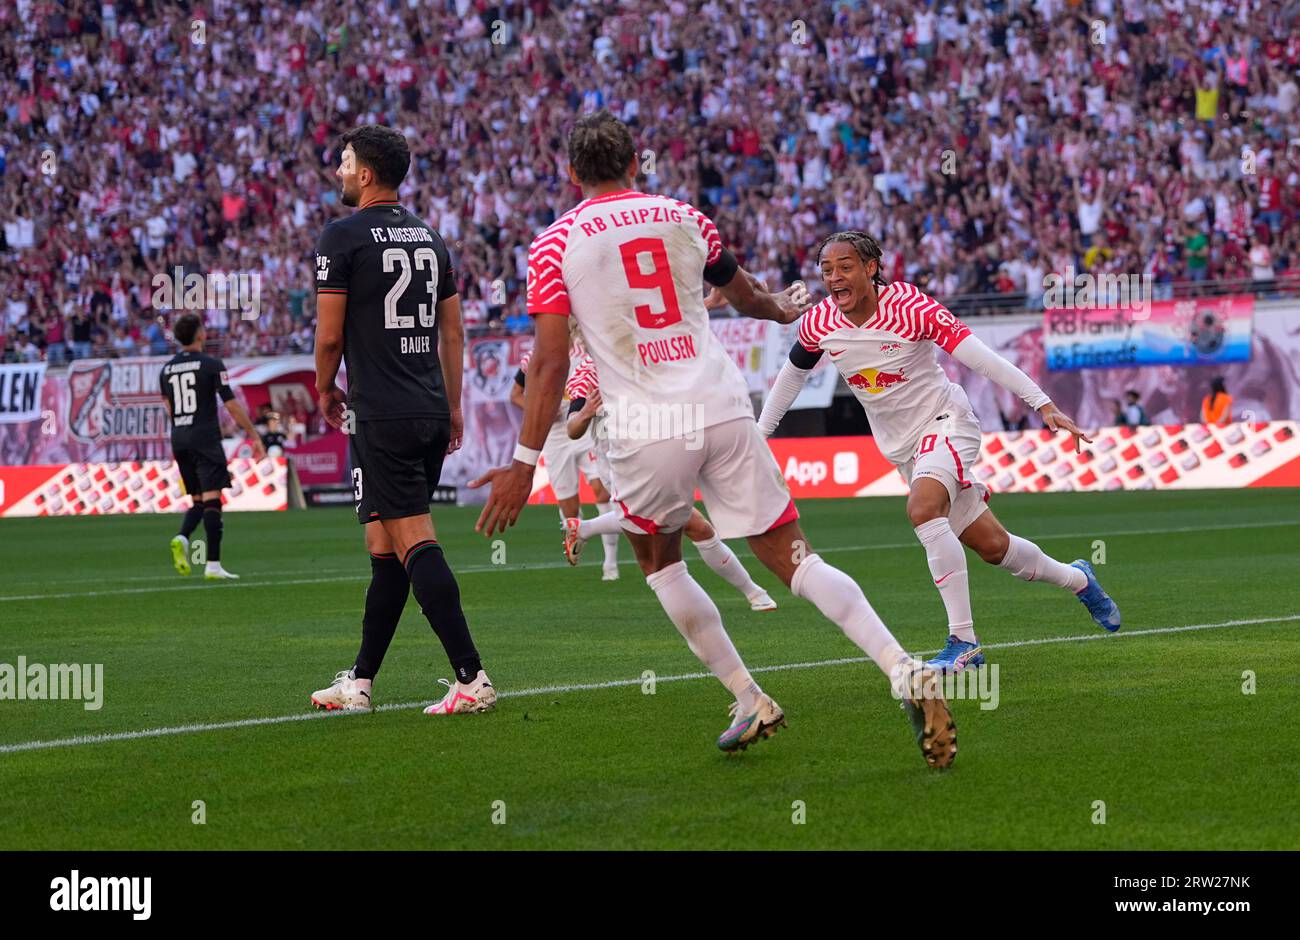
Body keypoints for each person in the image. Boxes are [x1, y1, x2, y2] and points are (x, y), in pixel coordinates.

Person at [471, 112, 955, 767]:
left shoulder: (554, 243)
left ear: (570, 173)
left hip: (645, 423)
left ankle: (749, 696)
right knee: (794, 557)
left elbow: (551, 361)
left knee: (661, 562)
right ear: (636, 162)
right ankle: (902, 666)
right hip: (724, 403)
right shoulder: (683, 215)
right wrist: (785, 310)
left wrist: (523, 463)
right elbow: (748, 295)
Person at [757, 231, 1122, 675]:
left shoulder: (912, 307)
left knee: (923, 509)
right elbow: (790, 378)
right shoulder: (820, 323)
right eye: (827, 270)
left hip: (947, 422)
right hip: (903, 449)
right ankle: (1080, 579)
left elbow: (981, 358)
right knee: (993, 547)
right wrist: (759, 437)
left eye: (845, 266)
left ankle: (964, 643)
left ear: (871, 268)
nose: (834, 278)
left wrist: (1041, 403)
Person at [308, 125, 494, 717]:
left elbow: (330, 334)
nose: (337, 171)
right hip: (428, 408)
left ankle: (473, 677)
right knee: (384, 544)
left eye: (343, 163)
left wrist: (321, 388)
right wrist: (455, 405)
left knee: (413, 537)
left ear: (365, 173)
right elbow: (455, 331)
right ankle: (360, 683)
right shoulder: (432, 240)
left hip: (381, 414)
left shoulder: (340, 238)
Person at [563, 352, 777, 611]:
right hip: (621, 469)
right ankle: (754, 594)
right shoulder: (587, 374)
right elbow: (573, 429)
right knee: (691, 531)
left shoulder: (641, 355)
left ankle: (583, 529)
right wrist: (586, 413)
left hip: (653, 459)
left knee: (684, 531)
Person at [159, 313, 266, 581]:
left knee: (198, 500)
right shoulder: (211, 365)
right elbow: (230, 404)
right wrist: (253, 435)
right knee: (213, 500)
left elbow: (169, 408)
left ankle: (183, 537)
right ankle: (213, 565)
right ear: (199, 334)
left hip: (180, 438)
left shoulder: (166, 370)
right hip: (204, 437)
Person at [510, 337, 621, 579]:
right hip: (555, 436)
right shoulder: (535, 356)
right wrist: (539, 411)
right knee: (569, 505)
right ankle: (577, 534)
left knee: (601, 490)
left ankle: (610, 564)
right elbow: (516, 394)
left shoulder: (587, 349)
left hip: (584, 424)